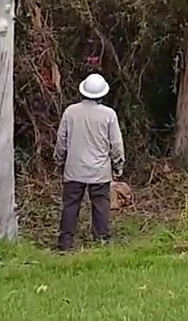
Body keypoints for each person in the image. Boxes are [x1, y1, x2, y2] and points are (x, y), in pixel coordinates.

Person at [54, 72, 125, 252]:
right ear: (102, 94)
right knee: (100, 205)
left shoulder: (70, 112)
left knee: (71, 204)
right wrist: (118, 166)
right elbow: (116, 145)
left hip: (74, 169)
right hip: (100, 171)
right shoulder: (109, 115)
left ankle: (65, 241)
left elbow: (61, 140)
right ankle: (101, 240)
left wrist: (59, 160)